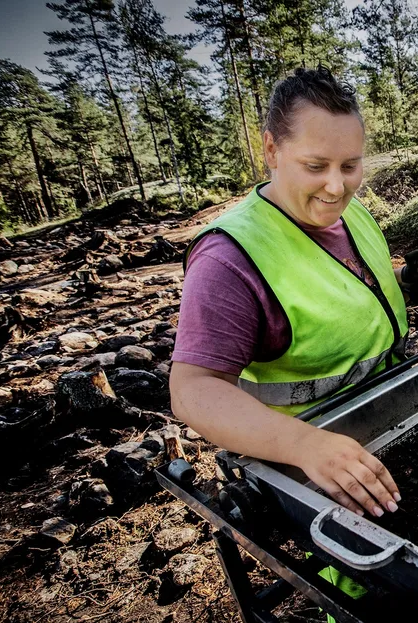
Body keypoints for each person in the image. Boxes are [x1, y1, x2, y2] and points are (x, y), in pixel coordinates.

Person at [169, 66, 404, 521]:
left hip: (399, 421)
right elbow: (193, 389)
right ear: (272, 149)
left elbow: (354, 291)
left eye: (350, 166)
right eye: (315, 166)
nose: (337, 188)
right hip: (319, 475)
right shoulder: (228, 258)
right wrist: (305, 444)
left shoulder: (353, 215)